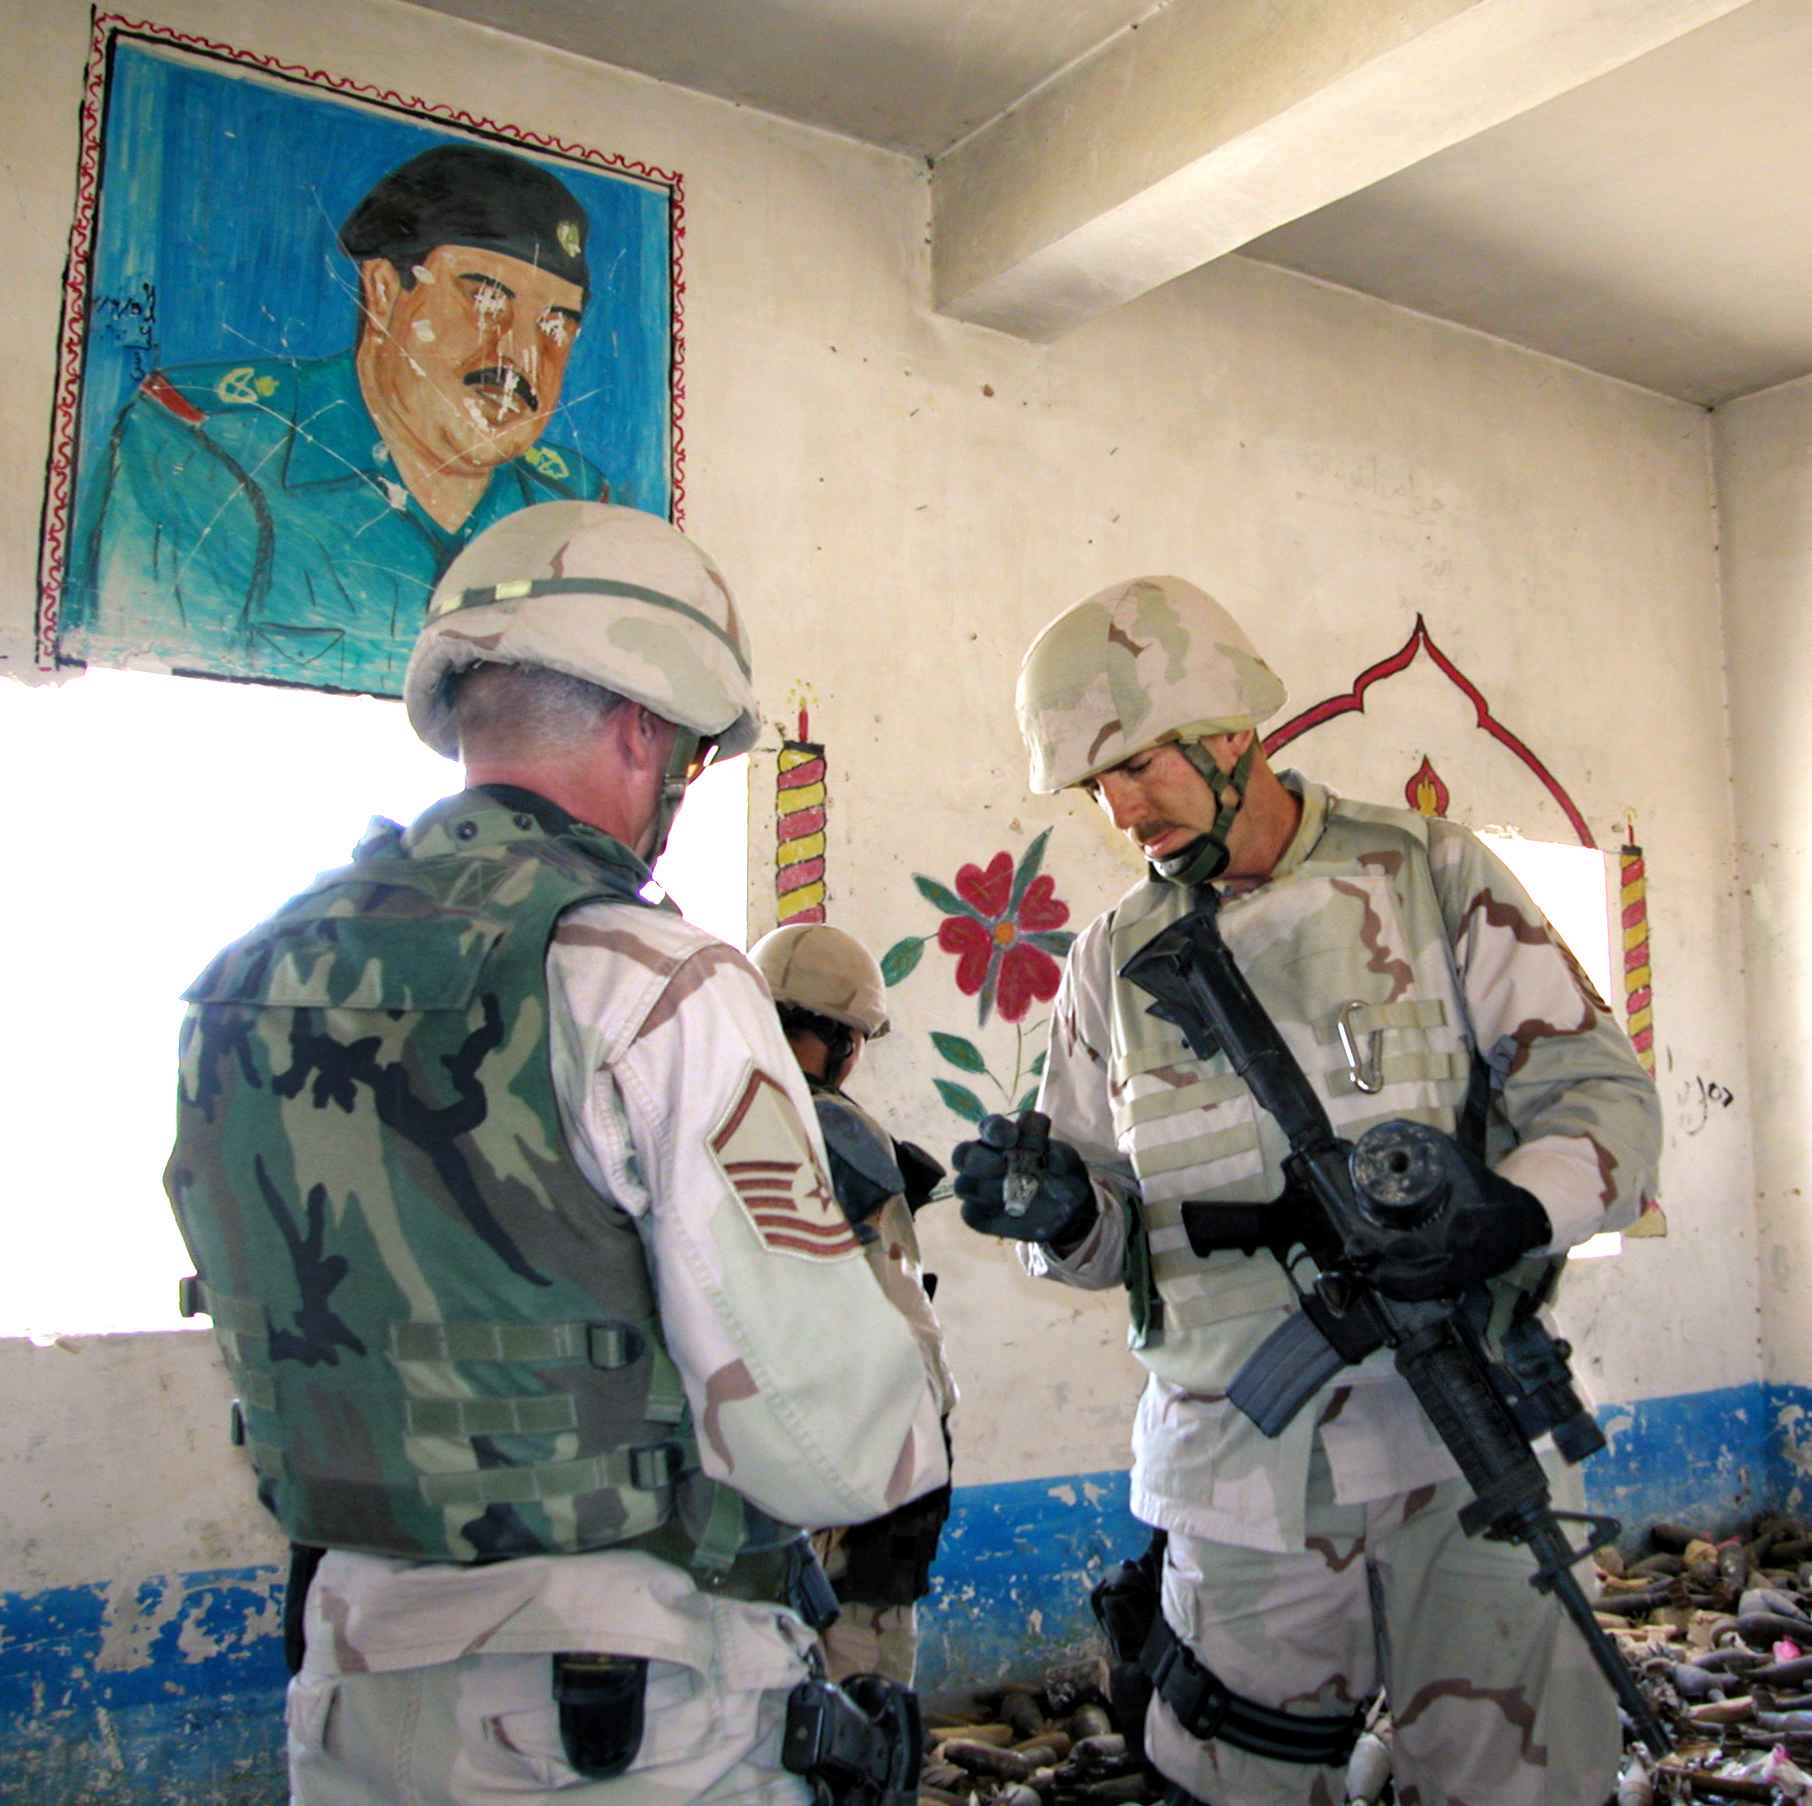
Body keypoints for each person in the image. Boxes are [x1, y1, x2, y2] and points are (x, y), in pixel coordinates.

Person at [164, 501, 948, 1804]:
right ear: (648, 726)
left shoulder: (246, 975)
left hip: (353, 1681)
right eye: (691, 755)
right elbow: (824, 1439)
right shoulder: (648, 973)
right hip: (620, 1708)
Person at [954, 575, 1661, 1806]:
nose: (1122, 807)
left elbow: (1605, 1101)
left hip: (1464, 1437)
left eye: (1141, 764)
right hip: (1238, 1474)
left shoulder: (1428, 871)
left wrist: (1509, 1215)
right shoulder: (1111, 962)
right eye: (1094, 786)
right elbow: (1106, 1219)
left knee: (1525, 1783)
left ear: (1234, 732)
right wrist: (1059, 1217)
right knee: (1232, 1783)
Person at [69, 144, 611, 692]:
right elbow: (141, 699)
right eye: (488, 300)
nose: (521, 355)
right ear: (381, 291)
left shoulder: (572, 504)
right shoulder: (209, 443)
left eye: (556, 325)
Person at [748, 923, 959, 1687]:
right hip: (852, 1496)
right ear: (837, 1038)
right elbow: (906, 1347)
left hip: (747, 1495)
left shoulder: (710, 1114)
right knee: (863, 1723)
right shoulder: (835, 1134)